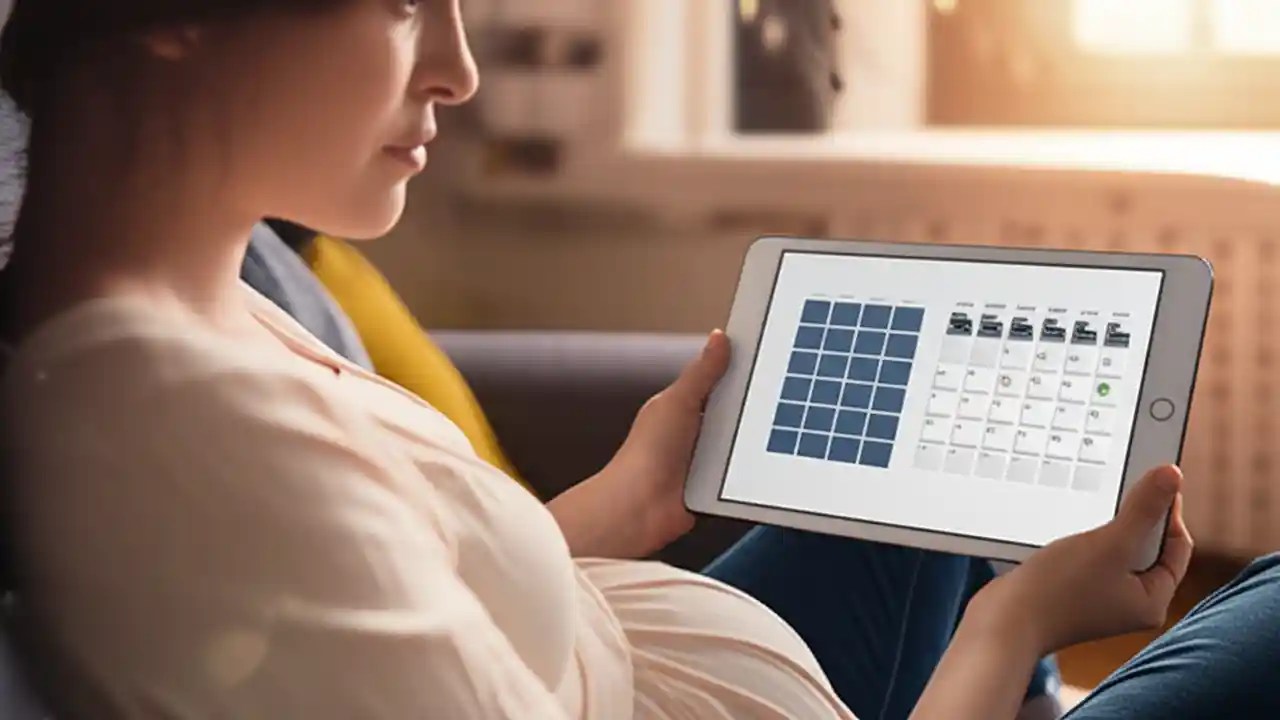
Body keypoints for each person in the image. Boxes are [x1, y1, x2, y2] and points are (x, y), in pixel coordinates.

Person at [0, 1, 1275, 718]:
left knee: (901, 477)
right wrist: (1007, 632)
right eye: (402, 7)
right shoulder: (165, 424)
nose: (453, 70)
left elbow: (414, 594)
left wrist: (627, 502)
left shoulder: (197, 304)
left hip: (669, 672)